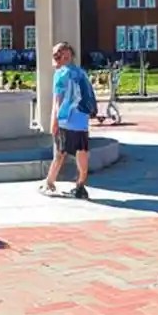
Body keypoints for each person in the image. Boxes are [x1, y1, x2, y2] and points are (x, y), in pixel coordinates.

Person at [40, 42, 92, 200]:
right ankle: (80, 186)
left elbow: (58, 101)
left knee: (59, 153)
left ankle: (49, 183)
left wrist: (53, 121)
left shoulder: (61, 74)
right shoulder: (81, 73)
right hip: (81, 120)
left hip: (65, 120)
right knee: (81, 152)